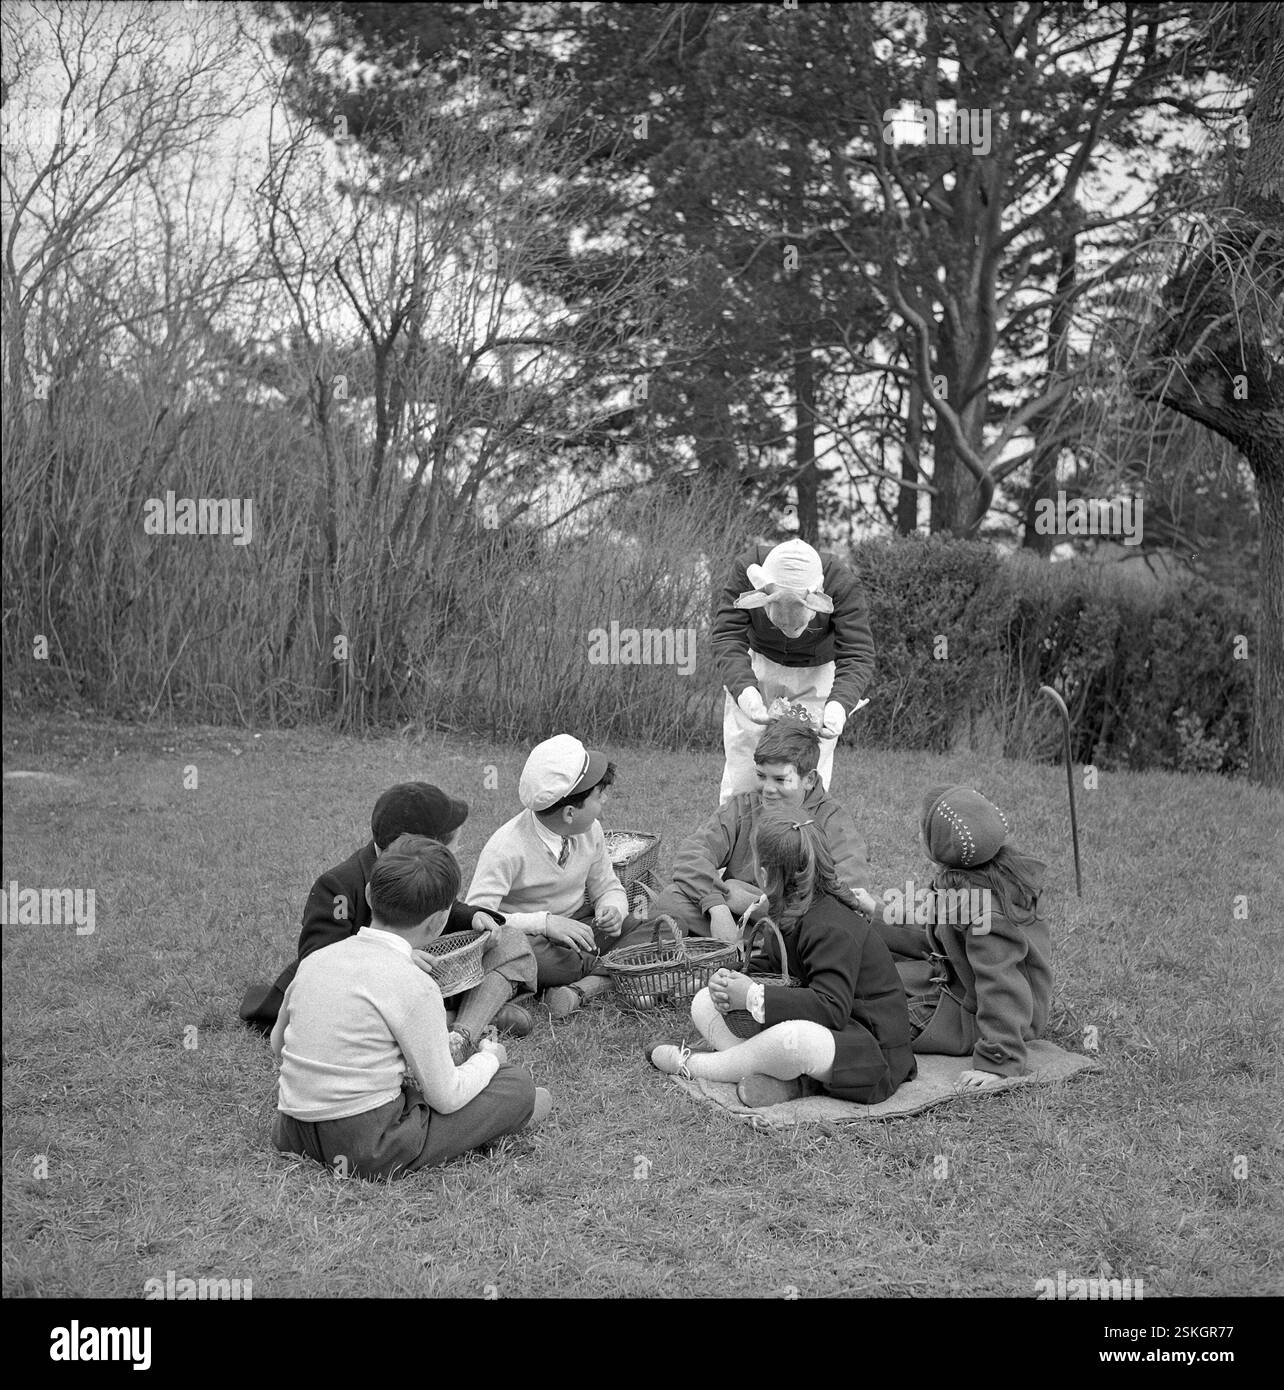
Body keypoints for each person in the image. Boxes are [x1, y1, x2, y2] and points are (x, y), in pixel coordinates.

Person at [271, 835, 551, 1179]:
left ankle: (495, 1116)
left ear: (370, 894)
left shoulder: (315, 961)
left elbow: (278, 1042)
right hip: (370, 1147)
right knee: (515, 1085)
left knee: (423, 1091)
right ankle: (508, 1112)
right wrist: (490, 1058)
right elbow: (446, 1096)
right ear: (440, 920)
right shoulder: (415, 983)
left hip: (291, 1131)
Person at [239, 783, 538, 1062]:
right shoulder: (338, 886)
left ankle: (460, 1030)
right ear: (419, 847)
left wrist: (473, 916)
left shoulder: (427, 873)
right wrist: (398, 956)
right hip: (371, 994)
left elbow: (443, 909)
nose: (457, 851)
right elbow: (319, 959)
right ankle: (470, 1021)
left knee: (511, 940)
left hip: (431, 973)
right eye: (451, 845)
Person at [642, 810, 916, 1107]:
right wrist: (731, 980)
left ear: (764, 873)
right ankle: (778, 1075)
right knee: (705, 1001)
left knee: (792, 1040)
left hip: (867, 1052)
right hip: (822, 1025)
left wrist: (751, 996)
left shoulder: (831, 926)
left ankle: (697, 1066)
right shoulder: (783, 910)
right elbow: (776, 969)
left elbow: (832, 1008)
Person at [856, 785, 1052, 1087]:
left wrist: (998, 1061)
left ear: (941, 844)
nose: (919, 834)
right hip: (955, 985)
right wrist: (877, 912)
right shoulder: (970, 878)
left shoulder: (986, 913)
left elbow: (1001, 984)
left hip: (984, 1016)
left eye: (924, 828)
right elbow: (934, 930)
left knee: (867, 1019)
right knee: (859, 979)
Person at [466, 734, 654, 1018]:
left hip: (582, 927)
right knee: (526, 955)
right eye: (598, 796)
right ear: (569, 813)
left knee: (655, 926)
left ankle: (584, 985)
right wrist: (544, 923)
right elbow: (477, 918)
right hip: (534, 940)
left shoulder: (590, 831)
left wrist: (613, 908)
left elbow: (607, 885)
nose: (605, 800)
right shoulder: (505, 848)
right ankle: (613, 968)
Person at [645, 718, 873, 942]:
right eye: (761, 776)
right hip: (738, 917)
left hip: (798, 921)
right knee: (672, 900)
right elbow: (692, 855)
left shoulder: (833, 819)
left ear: (809, 779)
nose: (768, 789)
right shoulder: (744, 805)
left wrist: (754, 903)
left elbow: (849, 893)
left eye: (780, 779)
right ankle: (743, 944)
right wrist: (717, 907)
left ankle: (756, 949)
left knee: (737, 892)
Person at [711, 538, 875, 801]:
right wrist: (745, 692)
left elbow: (857, 652)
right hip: (759, 667)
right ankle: (735, 833)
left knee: (805, 772)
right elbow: (728, 636)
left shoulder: (841, 581)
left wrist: (838, 707)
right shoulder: (745, 567)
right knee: (744, 768)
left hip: (817, 671)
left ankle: (800, 835)